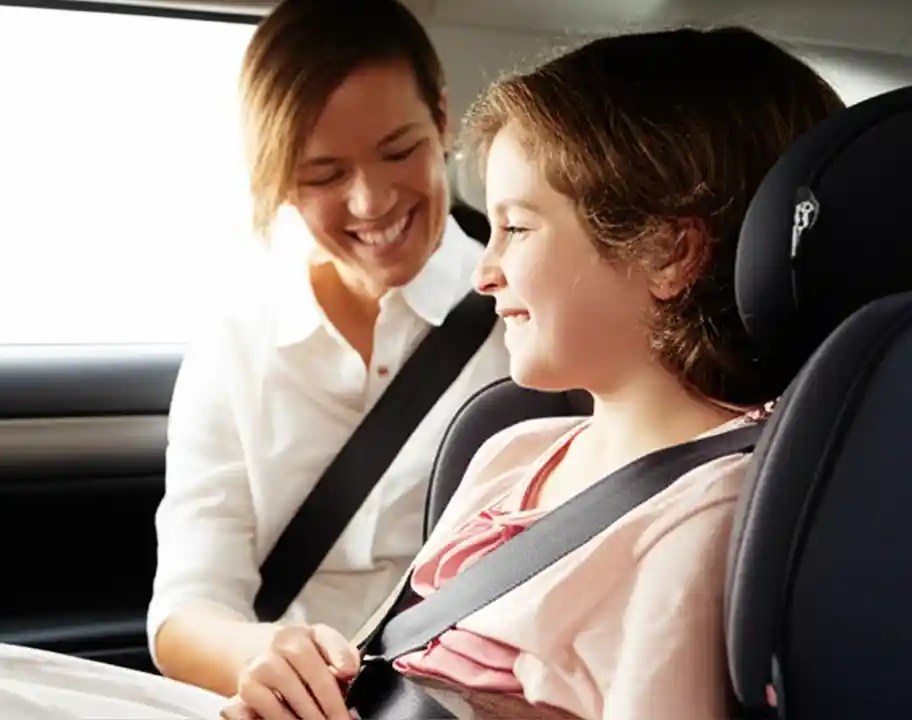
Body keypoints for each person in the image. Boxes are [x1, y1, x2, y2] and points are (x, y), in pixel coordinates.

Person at [0, 0, 508, 718]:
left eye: (399, 150)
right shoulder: (238, 341)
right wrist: (262, 660)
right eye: (323, 174)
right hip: (269, 707)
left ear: (442, 118)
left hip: (449, 706)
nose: (370, 200)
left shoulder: (524, 325)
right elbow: (189, 607)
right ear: (278, 175)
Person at [218, 25, 844, 720]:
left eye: (516, 228)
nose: (484, 273)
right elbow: (403, 667)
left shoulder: (700, 523)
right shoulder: (508, 455)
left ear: (668, 253)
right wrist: (303, 680)